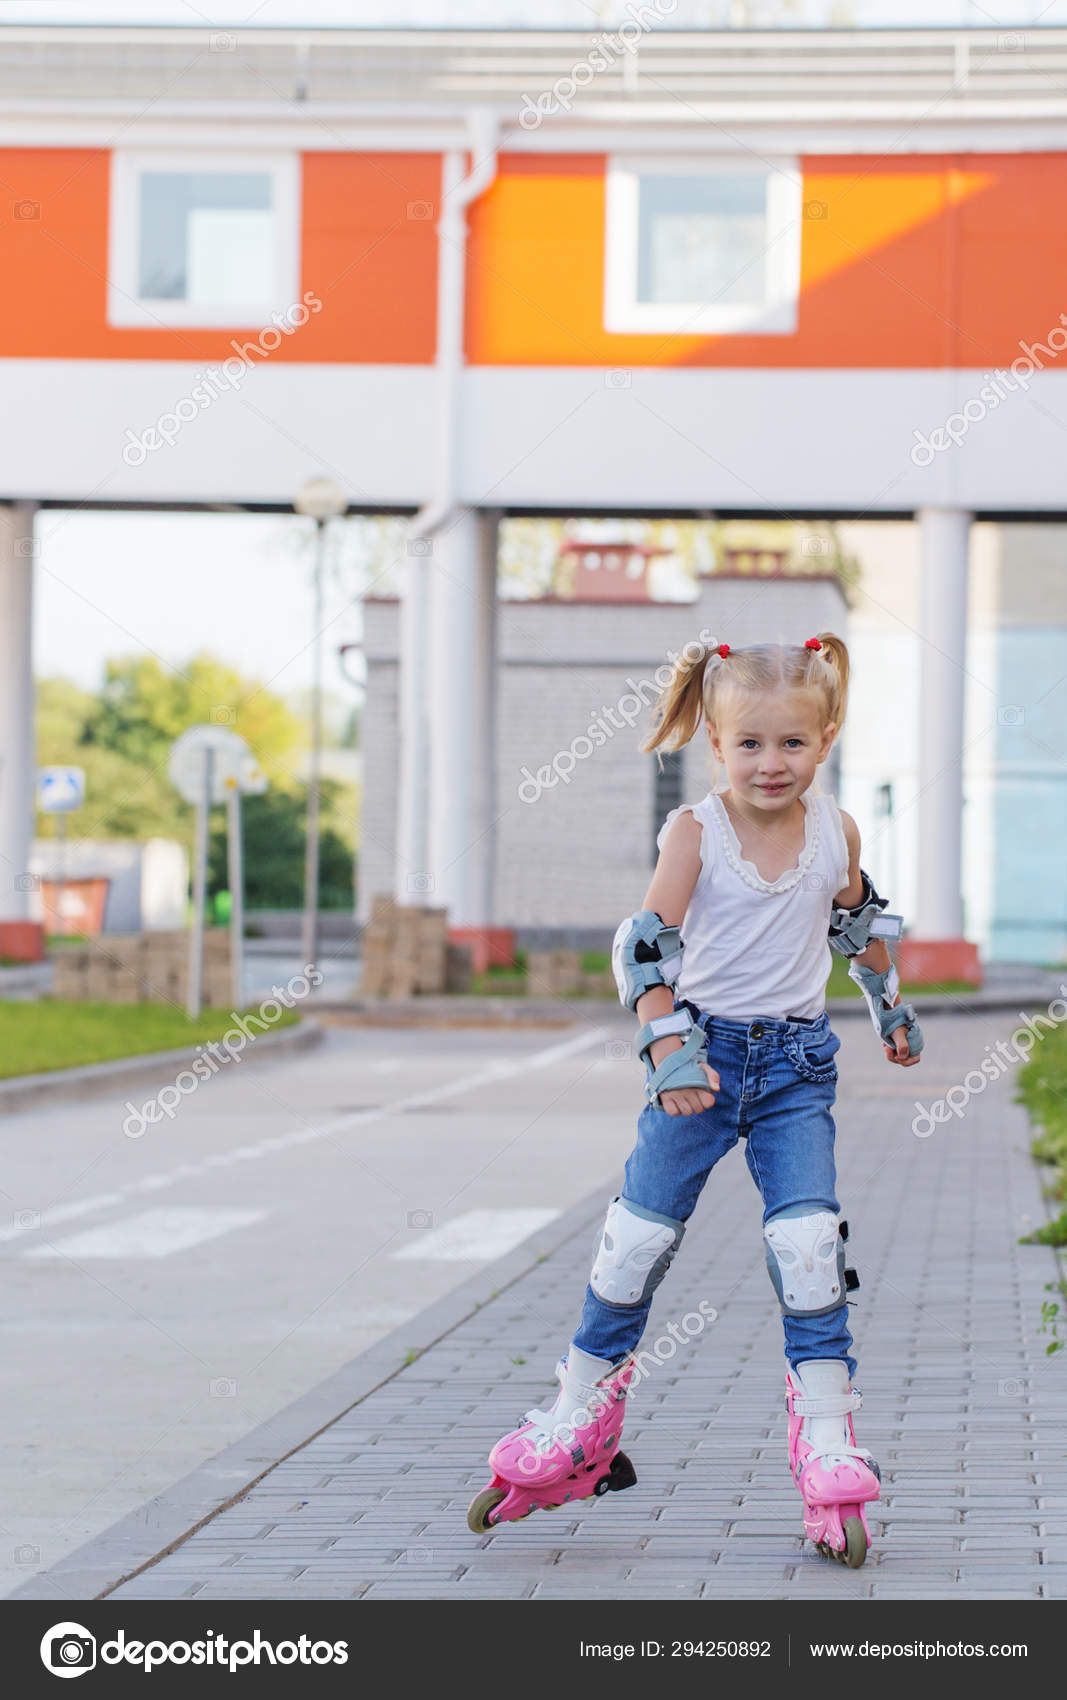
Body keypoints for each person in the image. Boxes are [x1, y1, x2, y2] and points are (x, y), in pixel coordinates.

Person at [467, 634, 923, 1568]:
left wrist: (891, 1009)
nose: (771, 763)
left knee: (807, 1246)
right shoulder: (694, 832)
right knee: (634, 1242)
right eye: (749, 744)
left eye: (791, 744)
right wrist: (665, 1041)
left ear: (825, 738)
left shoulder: (836, 831)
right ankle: (577, 1419)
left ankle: (828, 1441)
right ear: (716, 745)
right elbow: (643, 946)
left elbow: (856, 928)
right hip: (699, 1067)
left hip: (796, 1066)